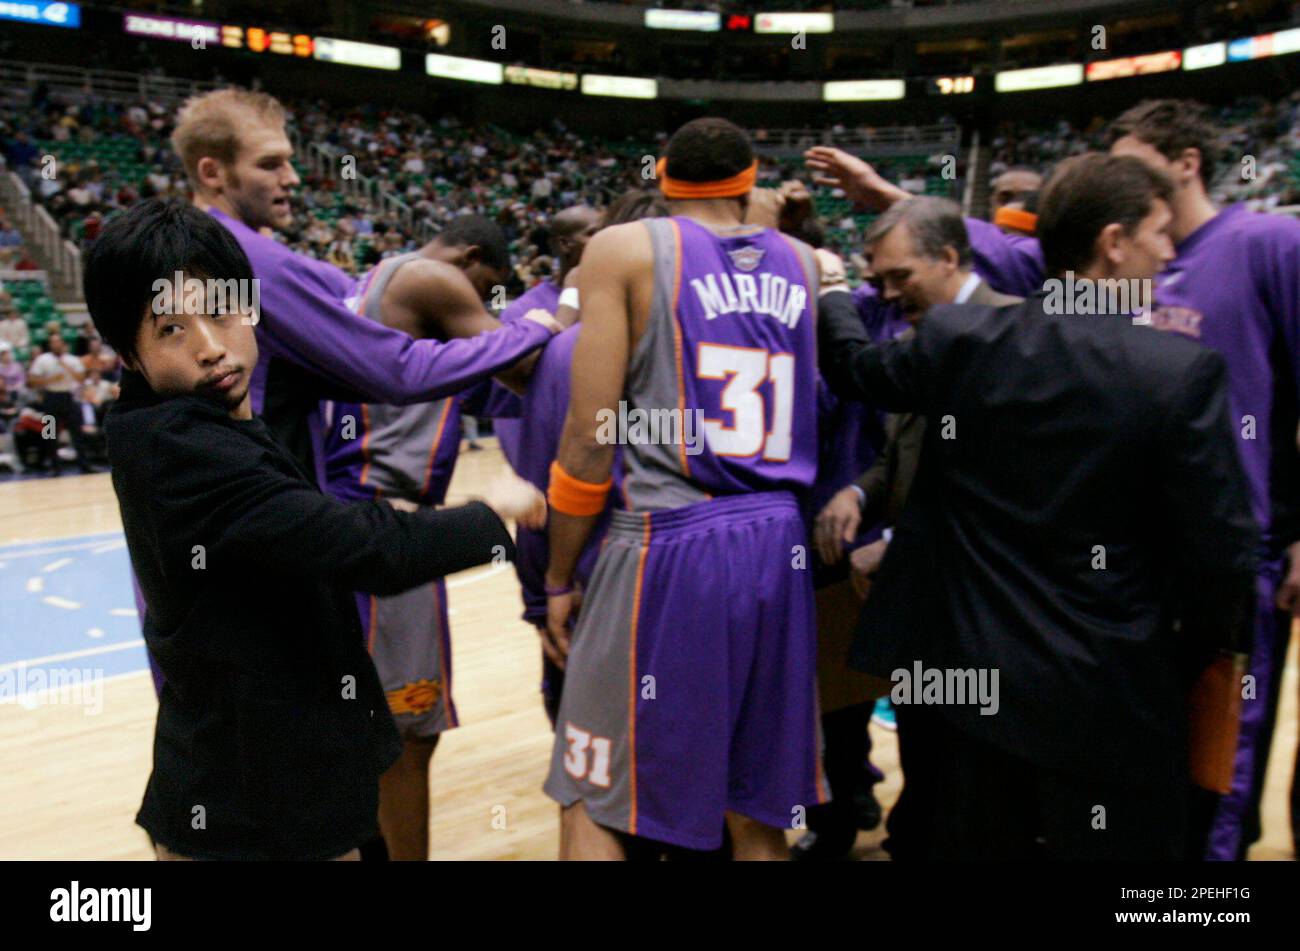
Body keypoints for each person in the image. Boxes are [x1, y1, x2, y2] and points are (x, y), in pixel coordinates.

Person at [811, 99, 1300, 860]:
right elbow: (1222, 556)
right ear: (1112, 245)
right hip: (1114, 697)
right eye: (1158, 237)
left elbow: (855, 368)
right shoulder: (1178, 371)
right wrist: (1181, 654)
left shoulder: (962, 337)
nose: (1168, 256)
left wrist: (832, 286)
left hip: (969, 698)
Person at [83, 197, 545, 861]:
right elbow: (365, 549)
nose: (211, 347)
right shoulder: (181, 448)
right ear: (129, 353)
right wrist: (493, 512)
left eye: (219, 311)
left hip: (273, 774)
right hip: (257, 808)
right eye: (170, 330)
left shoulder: (196, 418)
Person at [543, 118, 824, 860]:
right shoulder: (804, 262)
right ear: (750, 179)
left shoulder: (623, 248)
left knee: (592, 789)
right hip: (777, 540)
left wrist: (559, 574)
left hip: (673, 538)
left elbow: (593, 430)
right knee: (758, 807)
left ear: (662, 178)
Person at [321, 214, 556, 861]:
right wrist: (579, 314)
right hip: (389, 523)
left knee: (368, 723)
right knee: (408, 731)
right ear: (471, 259)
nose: (481, 302)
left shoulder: (373, 282)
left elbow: (498, 394)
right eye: (488, 287)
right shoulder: (428, 277)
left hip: (352, 521)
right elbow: (529, 368)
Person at [808, 197, 1021, 861]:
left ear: (950, 256)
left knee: (976, 773)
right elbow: (902, 450)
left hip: (988, 604)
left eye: (901, 276)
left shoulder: (1013, 332)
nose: (891, 293)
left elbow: (1003, 482)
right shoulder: (918, 340)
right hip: (926, 602)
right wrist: (858, 490)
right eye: (879, 282)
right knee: (925, 748)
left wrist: (896, 542)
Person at [26, 329, 94, 473]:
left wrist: (66, 367)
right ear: (50, 345)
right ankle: (54, 467)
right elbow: (31, 381)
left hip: (68, 398)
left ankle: (84, 465)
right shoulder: (42, 360)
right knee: (49, 433)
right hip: (50, 397)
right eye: (53, 342)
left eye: (58, 342)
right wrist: (50, 379)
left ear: (63, 344)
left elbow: (81, 379)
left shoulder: (72, 360)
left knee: (77, 432)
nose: (55, 344)